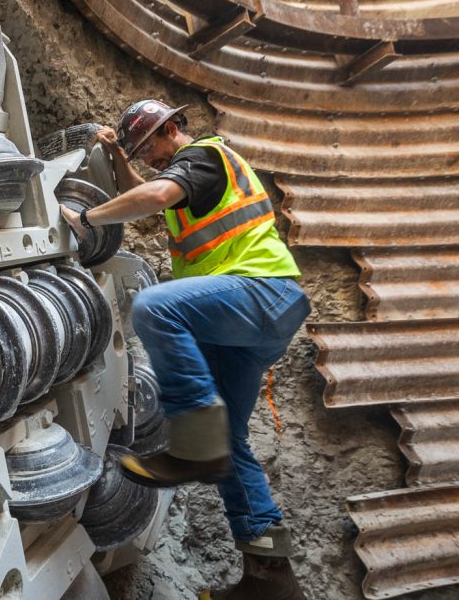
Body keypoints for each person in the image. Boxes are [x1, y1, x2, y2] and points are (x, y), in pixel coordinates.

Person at [59, 99, 310, 600]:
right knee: (231, 439)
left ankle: (195, 449)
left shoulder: (204, 156)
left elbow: (155, 194)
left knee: (156, 308)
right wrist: (119, 159)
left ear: (172, 129)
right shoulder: (189, 178)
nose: (148, 157)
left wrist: (86, 218)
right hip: (251, 319)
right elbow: (149, 190)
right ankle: (270, 575)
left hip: (260, 292)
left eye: (148, 144)